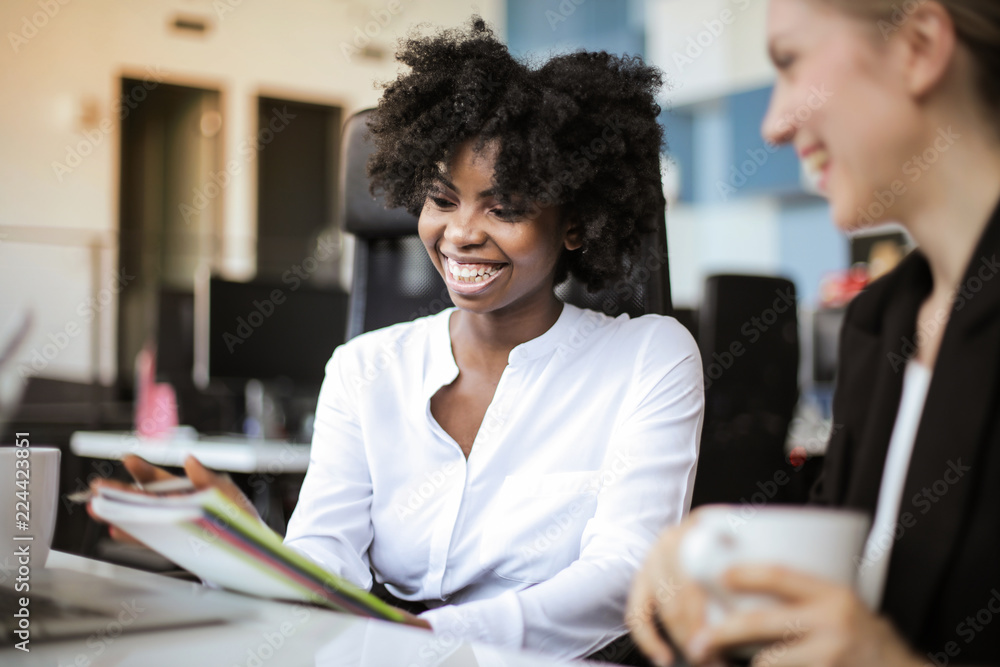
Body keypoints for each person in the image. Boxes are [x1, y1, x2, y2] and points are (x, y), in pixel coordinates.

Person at [91, 18, 704, 660]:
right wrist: (236, 548)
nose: (461, 232)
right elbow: (325, 556)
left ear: (575, 224)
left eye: (503, 208)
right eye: (442, 199)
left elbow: (629, 573)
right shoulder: (365, 366)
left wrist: (428, 637)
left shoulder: (648, 358)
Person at [626, 0, 1000, 665]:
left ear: (917, 44)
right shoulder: (881, 321)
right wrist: (721, 545)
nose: (771, 124)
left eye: (791, 63)